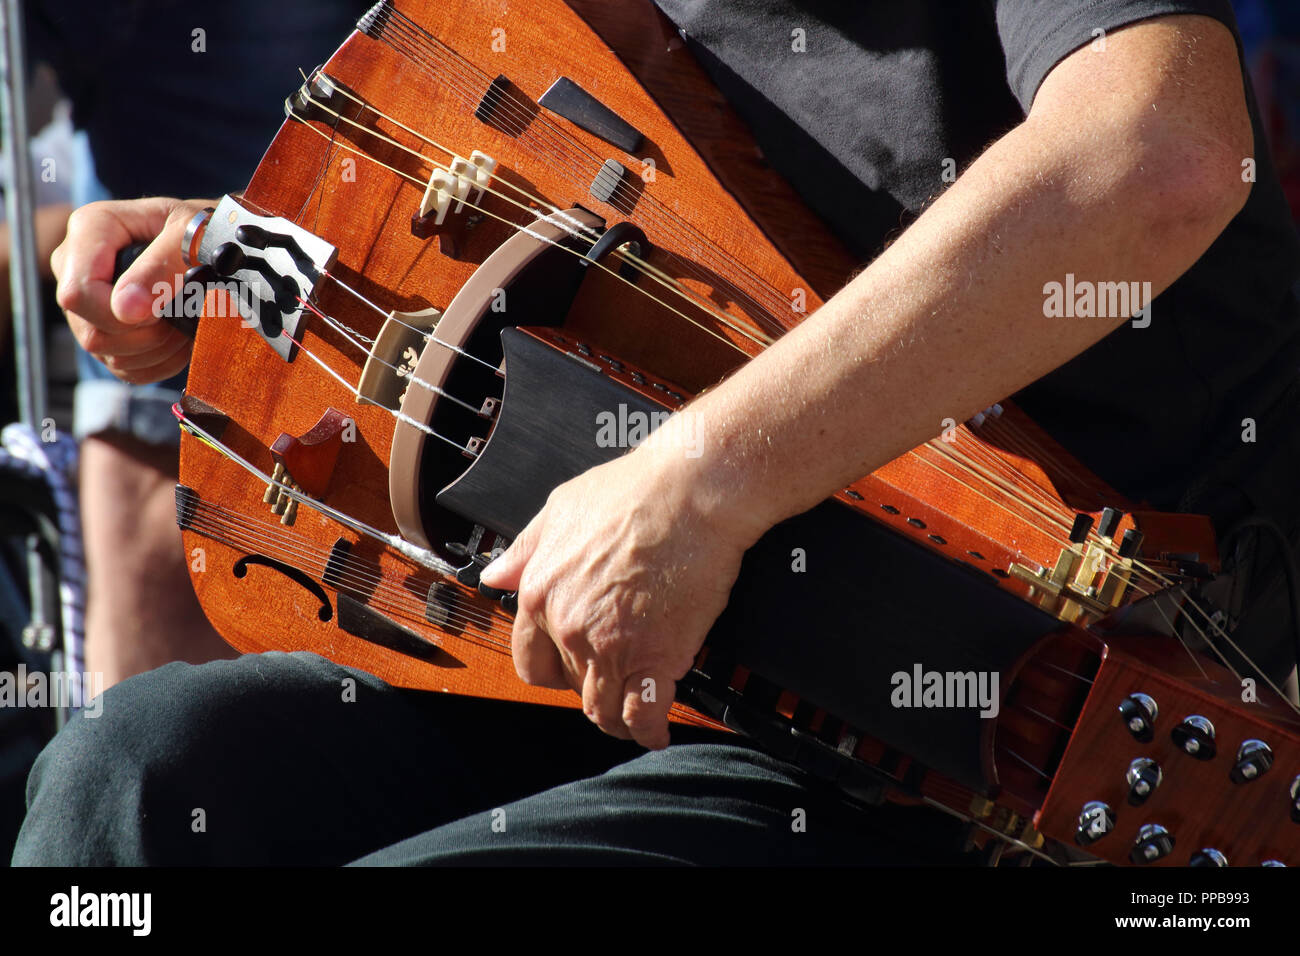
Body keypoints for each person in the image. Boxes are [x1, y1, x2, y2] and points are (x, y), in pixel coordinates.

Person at [12, 0, 1300, 865]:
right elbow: (573, 233)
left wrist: (702, 479)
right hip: (638, 673)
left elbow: (1160, 157)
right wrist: (268, 273)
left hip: (1032, 704)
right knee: (123, 782)